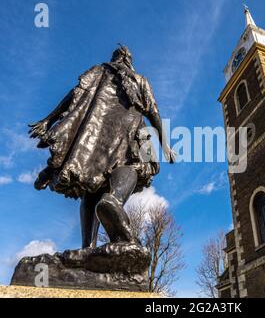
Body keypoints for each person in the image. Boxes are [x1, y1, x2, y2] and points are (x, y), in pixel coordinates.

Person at [29, 45, 175, 248]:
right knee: (135, 165)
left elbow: (74, 97)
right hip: (129, 127)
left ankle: (87, 247)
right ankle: (114, 200)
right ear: (128, 60)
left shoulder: (98, 71)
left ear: (115, 58)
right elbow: (152, 112)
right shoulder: (138, 79)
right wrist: (165, 145)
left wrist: (48, 120)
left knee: (93, 186)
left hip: (93, 132)